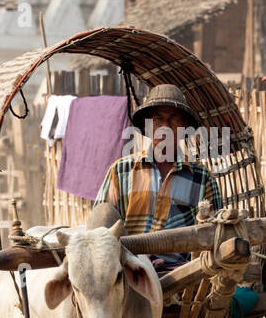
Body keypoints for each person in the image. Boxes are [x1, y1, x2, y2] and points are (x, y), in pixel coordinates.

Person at [91, 84, 223, 273]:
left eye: (173, 120)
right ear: (147, 125)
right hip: (128, 275)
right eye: (158, 120)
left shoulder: (202, 179)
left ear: (184, 126)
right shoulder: (121, 171)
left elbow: (215, 237)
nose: (165, 127)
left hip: (182, 279)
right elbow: (101, 228)